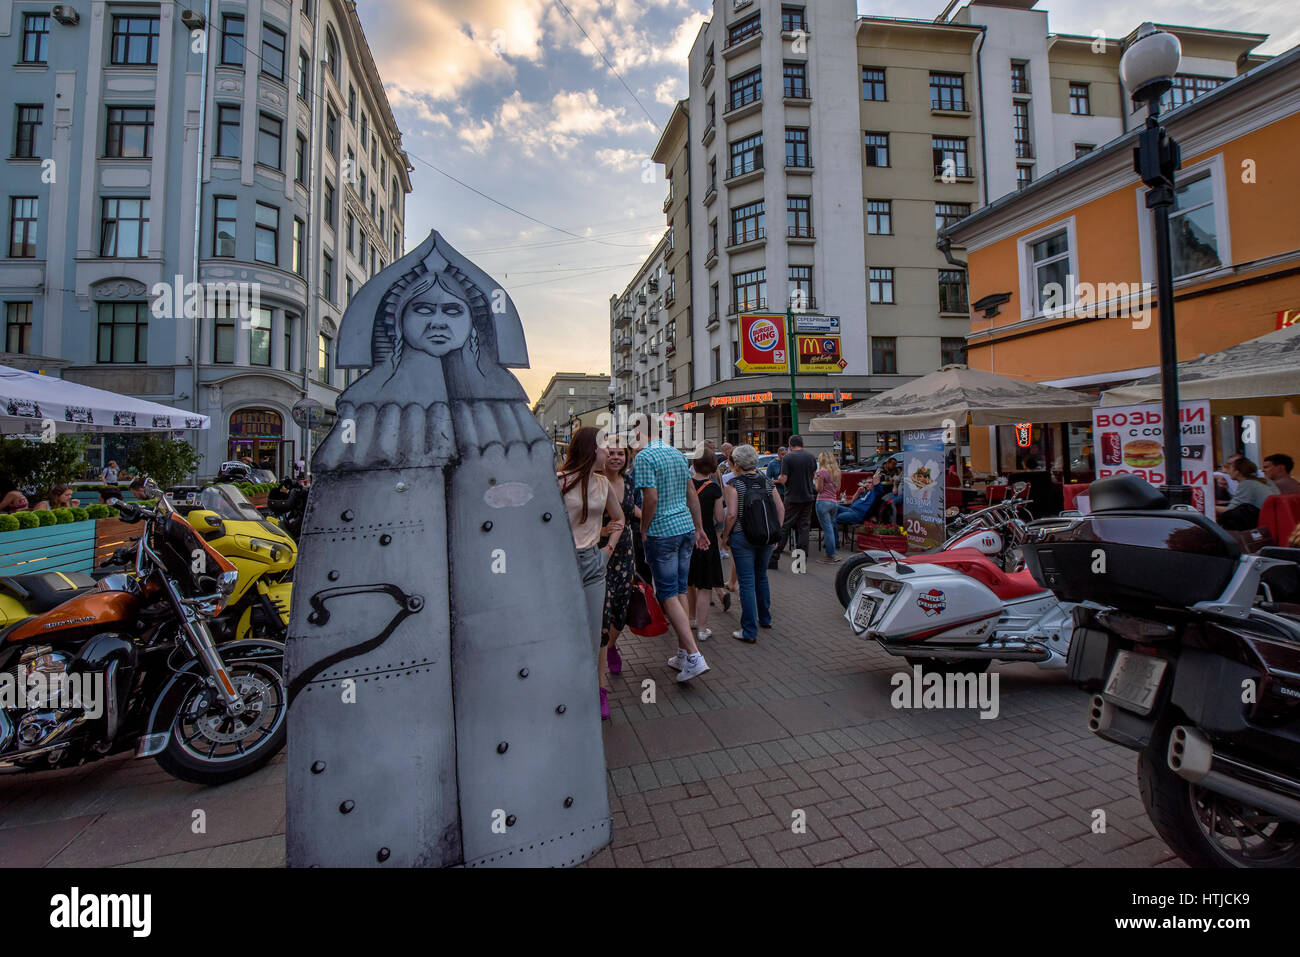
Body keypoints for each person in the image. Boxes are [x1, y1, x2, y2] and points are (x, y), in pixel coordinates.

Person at [631, 427, 712, 683]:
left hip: (662, 532)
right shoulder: (677, 454)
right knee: (679, 590)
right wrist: (699, 528)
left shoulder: (644, 457)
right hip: (685, 528)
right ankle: (682, 654)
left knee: (666, 594)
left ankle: (694, 655)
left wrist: (644, 528)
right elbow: (691, 495)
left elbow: (650, 498)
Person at [559, 426, 625, 721]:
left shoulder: (601, 484)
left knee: (591, 631)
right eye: (603, 447)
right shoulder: (558, 481)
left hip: (593, 563)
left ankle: (591, 692)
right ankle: (563, 691)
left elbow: (619, 518)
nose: (608, 452)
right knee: (563, 630)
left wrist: (607, 549)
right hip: (561, 564)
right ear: (590, 449)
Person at [722, 445, 785, 642]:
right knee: (761, 577)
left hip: (743, 537)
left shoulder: (734, 484)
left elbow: (731, 514)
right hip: (766, 536)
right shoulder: (767, 482)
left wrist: (725, 536)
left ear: (737, 463)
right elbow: (780, 508)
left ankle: (749, 630)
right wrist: (776, 533)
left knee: (747, 582)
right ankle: (765, 618)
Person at [599, 436, 636, 708]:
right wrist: (601, 531)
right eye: (610, 453)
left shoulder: (629, 482)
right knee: (604, 609)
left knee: (621, 609)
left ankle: (611, 644)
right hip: (599, 553)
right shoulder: (594, 482)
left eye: (620, 454)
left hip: (626, 552)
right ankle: (600, 684)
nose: (615, 457)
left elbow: (630, 510)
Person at [687, 448, 726, 641]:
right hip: (707, 536)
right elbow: (719, 517)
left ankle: (691, 619)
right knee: (704, 585)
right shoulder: (714, 487)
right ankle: (702, 629)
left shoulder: (687, 483)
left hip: (688, 534)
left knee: (690, 582)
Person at [772, 435, 816, 570]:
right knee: (804, 529)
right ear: (802, 444)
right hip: (808, 497)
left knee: (784, 526)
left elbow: (783, 479)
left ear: (790, 445)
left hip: (792, 497)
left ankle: (774, 558)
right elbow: (813, 475)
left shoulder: (788, 458)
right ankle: (800, 563)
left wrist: (779, 477)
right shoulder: (811, 457)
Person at [1217, 457, 1274, 530]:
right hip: (1273, 520)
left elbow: (1230, 510)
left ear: (1237, 472)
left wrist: (1210, 507)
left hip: (1262, 525)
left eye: (1230, 468)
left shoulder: (1247, 485)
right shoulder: (1266, 482)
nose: (1228, 472)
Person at [814, 452, 842, 563]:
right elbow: (838, 488)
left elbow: (819, 489)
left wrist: (816, 479)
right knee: (831, 527)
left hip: (823, 502)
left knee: (827, 529)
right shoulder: (837, 472)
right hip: (834, 502)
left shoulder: (821, 472)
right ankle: (833, 552)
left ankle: (830, 555)